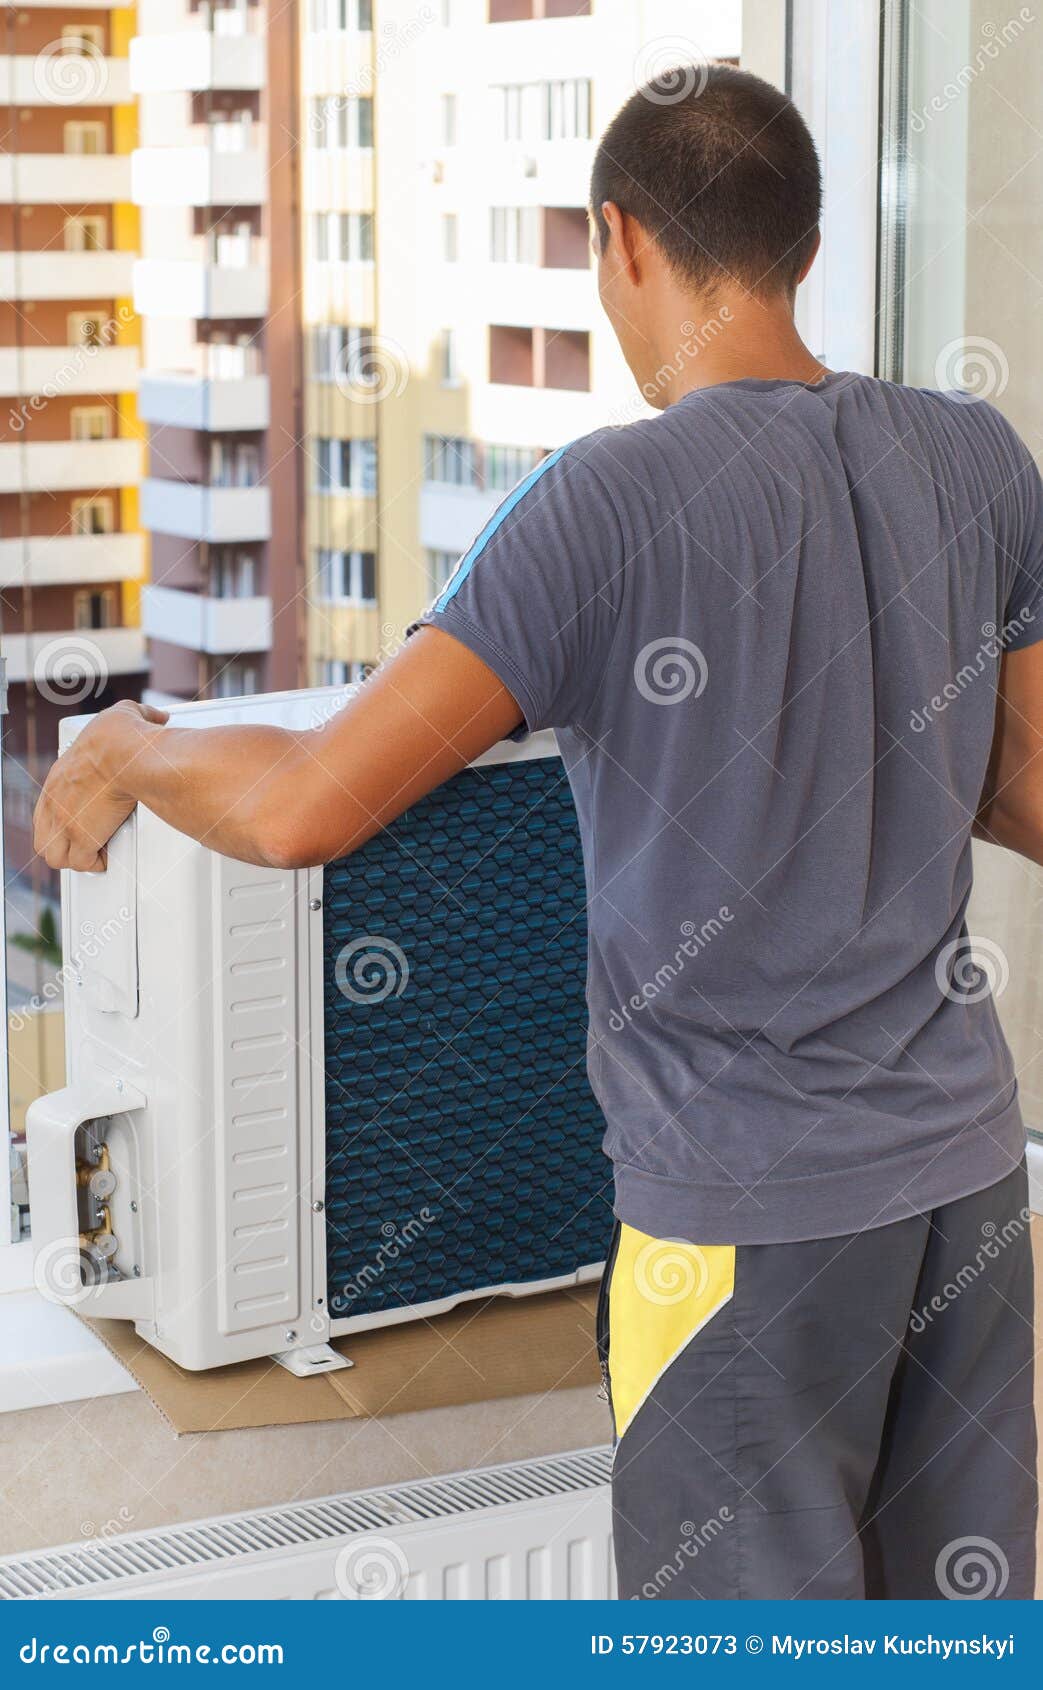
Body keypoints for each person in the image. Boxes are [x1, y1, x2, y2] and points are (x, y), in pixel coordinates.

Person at [33, 65, 1040, 1601]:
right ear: (806, 248)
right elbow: (1025, 790)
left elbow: (309, 802)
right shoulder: (973, 458)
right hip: (960, 1192)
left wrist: (126, 749)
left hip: (741, 1226)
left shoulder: (603, 504)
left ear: (620, 242)